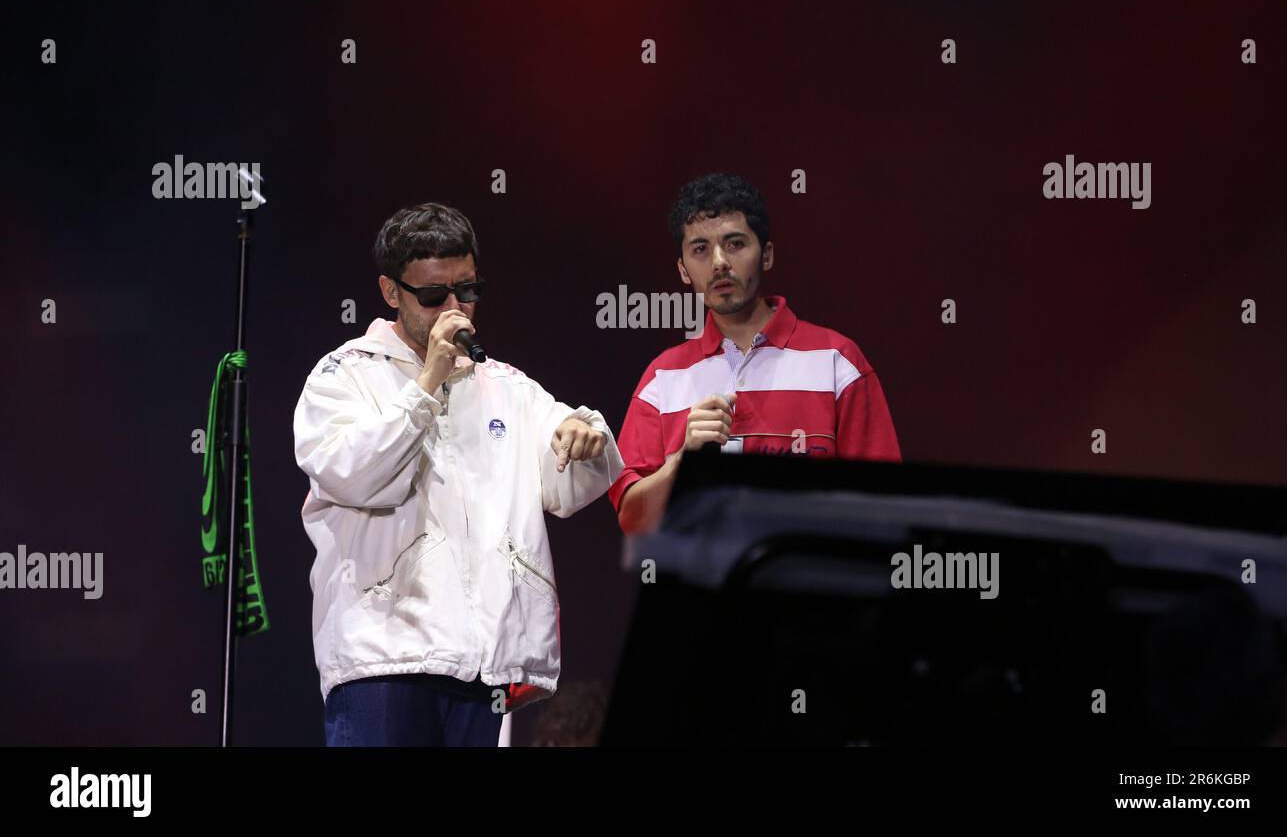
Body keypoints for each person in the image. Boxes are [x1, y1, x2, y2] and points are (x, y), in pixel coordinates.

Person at [293, 202, 623, 746]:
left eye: (466, 291)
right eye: (433, 296)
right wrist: (426, 384)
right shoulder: (342, 375)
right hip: (383, 658)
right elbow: (354, 476)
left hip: (480, 663)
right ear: (390, 291)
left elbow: (568, 487)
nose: (454, 310)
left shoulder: (507, 386)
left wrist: (586, 437)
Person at [611, 173, 901, 535]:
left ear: (766, 254)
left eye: (734, 244)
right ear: (683, 270)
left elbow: (885, 507)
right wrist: (684, 463)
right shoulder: (661, 378)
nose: (719, 262)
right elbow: (633, 521)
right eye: (700, 249)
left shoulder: (837, 362)